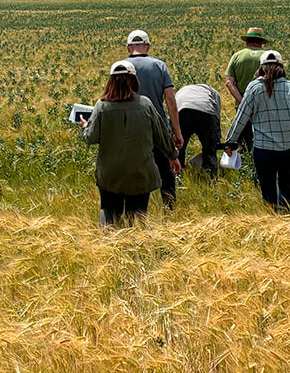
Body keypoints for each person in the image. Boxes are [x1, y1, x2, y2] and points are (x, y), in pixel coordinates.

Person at [81, 60, 180, 226]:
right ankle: (138, 248)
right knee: (138, 216)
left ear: (110, 82)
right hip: (140, 173)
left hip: (110, 175)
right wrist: (173, 156)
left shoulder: (102, 106)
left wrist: (85, 126)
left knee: (109, 213)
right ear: (134, 81)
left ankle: (106, 247)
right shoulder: (145, 104)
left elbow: (90, 138)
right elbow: (161, 135)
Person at [223, 51, 290, 212]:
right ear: (281, 67)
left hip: (263, 149)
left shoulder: (253, 88)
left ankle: (271, 216)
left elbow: (241, 117)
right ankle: (285, 213)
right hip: (289, 148)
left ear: (261, 68)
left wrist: (230, 142)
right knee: (286, 182)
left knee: (267, 186)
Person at [124, 29, 183, 208]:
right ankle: (169, 208)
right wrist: (176, 132)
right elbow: (171, 101)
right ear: (148, 46)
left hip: (130, 128)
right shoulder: (159, 66)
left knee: (135, 170)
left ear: (128, 48)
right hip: (157, 127)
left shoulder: (121, 67)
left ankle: (137, 212)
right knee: (166, 170)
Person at [224, 27, 269, 152]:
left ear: (247, 41)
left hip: (241, 102)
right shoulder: (266, 56)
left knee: (243, 138)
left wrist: (243, 100)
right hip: (263, 102)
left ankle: (243, 164)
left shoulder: (237, 56)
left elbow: (229, 83)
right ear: (261, 42)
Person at [174, 84, 222, 177]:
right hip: (206, 113)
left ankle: (177, 175)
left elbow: (173, 109)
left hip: (183, 112)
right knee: (210, 150)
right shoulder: (214, 92)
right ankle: (210, 178)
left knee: (179, 147)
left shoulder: (182, 91)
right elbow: (216, 115)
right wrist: (216, 139)